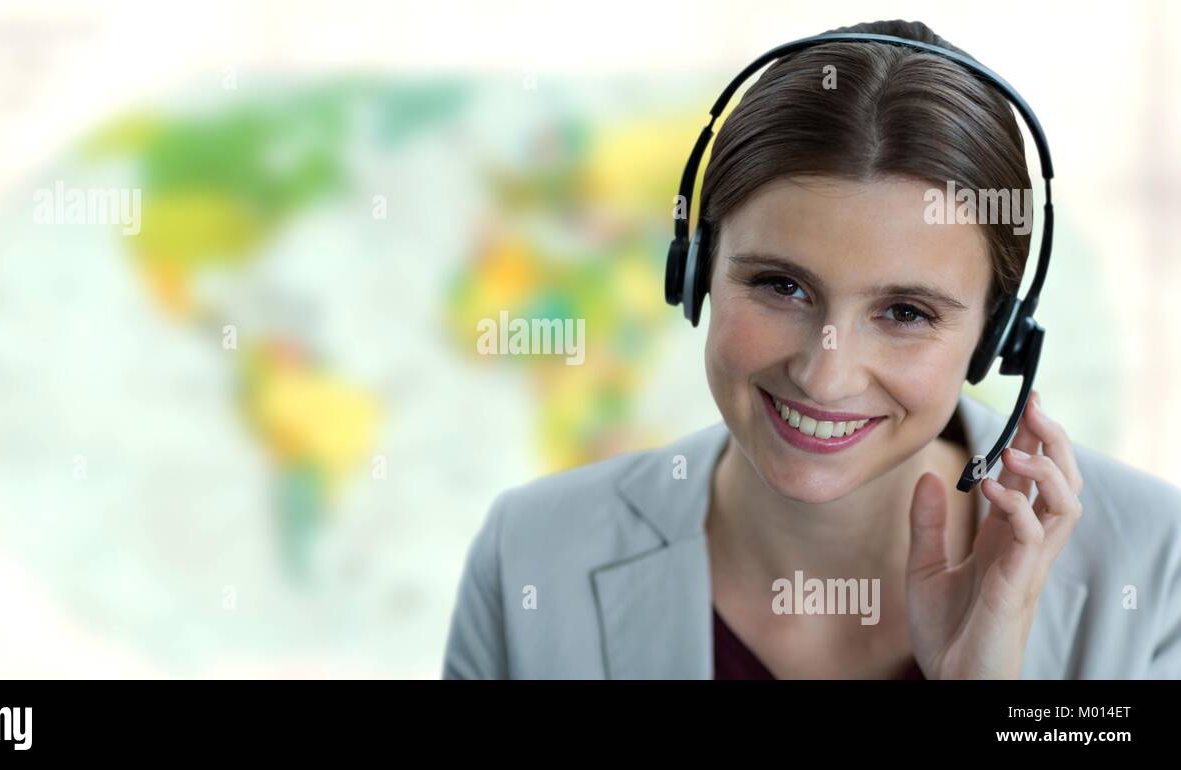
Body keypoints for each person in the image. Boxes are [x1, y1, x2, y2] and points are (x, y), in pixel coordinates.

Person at [441, 19, 1181, 679]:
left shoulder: (1155, 565)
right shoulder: (530, 556)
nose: (825, 377)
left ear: (995, 337)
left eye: (905, 311)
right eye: (781, 287)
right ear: (695, 274)